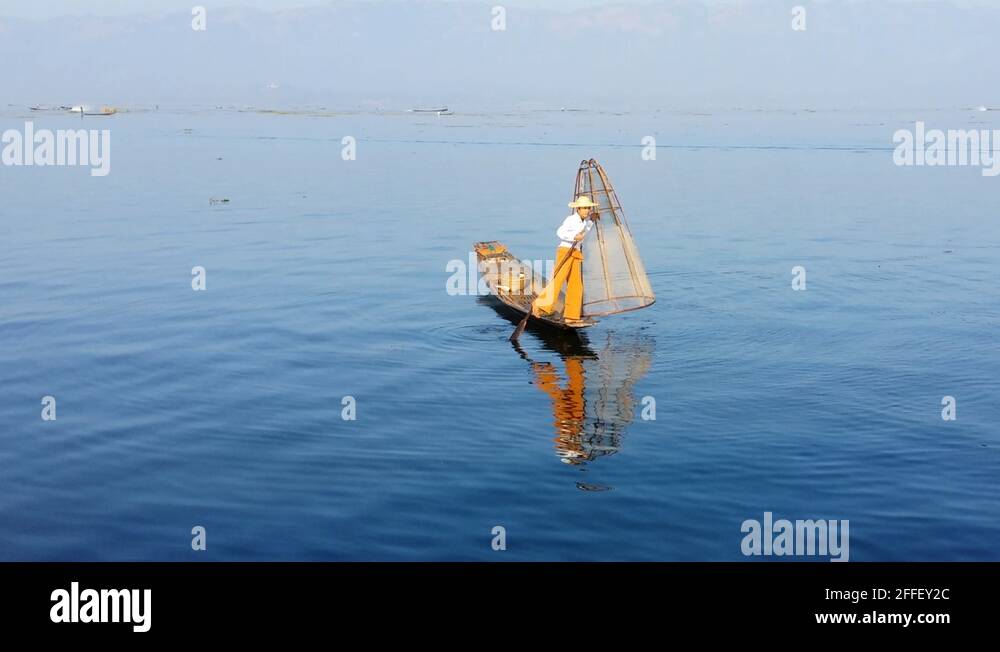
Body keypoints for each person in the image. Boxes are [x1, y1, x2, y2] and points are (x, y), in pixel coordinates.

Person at [533, 195, 597, 323]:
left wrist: (591, 221)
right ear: (578, 209)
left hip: (575, 252)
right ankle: (539, 306)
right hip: (565, 251)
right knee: (558, 280)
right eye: (584, 208)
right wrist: (574, 236)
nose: (586, 210)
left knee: (576, 284)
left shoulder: (584, 221)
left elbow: (584, 232)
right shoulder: (571, 219)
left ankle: (571, 316)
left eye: (588, 208)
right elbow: (560, 232)